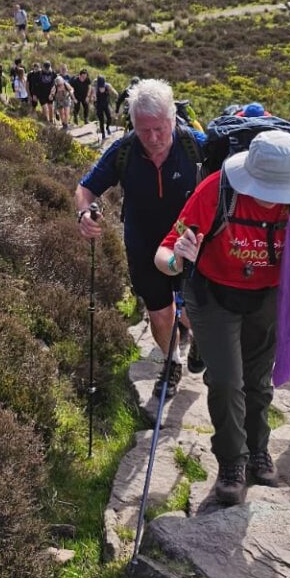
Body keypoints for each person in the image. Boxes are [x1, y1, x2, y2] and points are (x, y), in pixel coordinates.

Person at [155, 131, 290, 501]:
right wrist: (178, 260)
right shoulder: (215, 191)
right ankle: (231, 461)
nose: (273, 199)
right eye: (266, 190)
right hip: (212, 294)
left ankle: (257, 449)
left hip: (268, 295)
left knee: (257, 380)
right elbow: (164, 254)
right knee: (226, 381)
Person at [77, 79, 204, 397]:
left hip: (190, 245)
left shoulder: (195, 146)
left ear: (173, 118)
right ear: (133, 123)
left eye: (160, 128)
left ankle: (200, 341)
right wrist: (84, 213)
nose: (153, 138)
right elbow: (86, 188)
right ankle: (172, 362)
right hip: (143, 246)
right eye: (144, 130)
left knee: (195, 312)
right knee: (159, 312)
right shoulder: (124, 151)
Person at [93, 75, 117, 140]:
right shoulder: (95, 87)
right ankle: (103, 134)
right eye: (100, 85)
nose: (101, 87)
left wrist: (115, 95)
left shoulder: (107, 86)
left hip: (106, 104)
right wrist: (94, 101)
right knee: (101, 120)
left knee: (109, 118)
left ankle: (107, 127)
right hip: (99, 106)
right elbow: (94, 95)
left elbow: (114, 92)